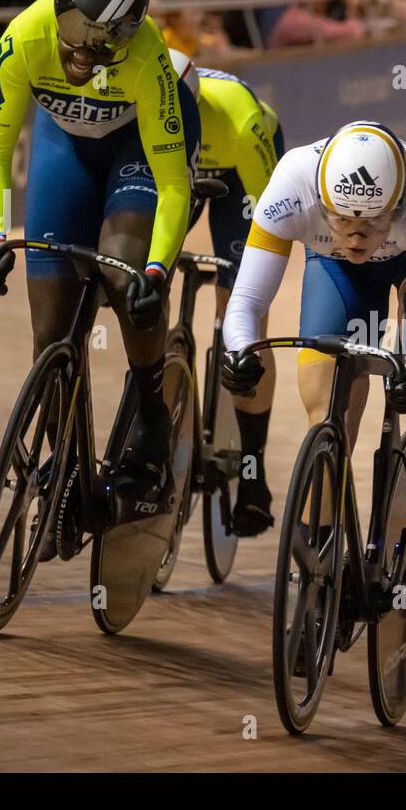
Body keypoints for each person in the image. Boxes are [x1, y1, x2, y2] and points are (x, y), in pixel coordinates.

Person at [0, 0, 201, 558]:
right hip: (64, 148)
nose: (80, 53)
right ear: (59, 6)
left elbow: (174, 183)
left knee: (121, 269)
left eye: (100, 45)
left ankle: (150, 407)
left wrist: (155, 269)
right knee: (49, 332)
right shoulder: (24, 35)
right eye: (74, 32)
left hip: (135, 151)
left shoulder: (150, 56)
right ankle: (62, 466)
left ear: (127, 36)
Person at [221, 121, 406, 554]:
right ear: (320, 200)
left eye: (372, 223)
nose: (357, 236)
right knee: (326, 407)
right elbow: (246, 300)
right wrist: (239, 351)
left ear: (396, 207)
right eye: (343, 220)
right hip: (335, 264)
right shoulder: (292, 185)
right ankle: (319, 549)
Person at [167, 49, 284, 535]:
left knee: (241, 309)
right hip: (178, 162)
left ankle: (253, 472)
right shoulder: (144, 104)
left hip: (241, 177)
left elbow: (273, 225)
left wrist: (243, 293)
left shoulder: (240, 120)